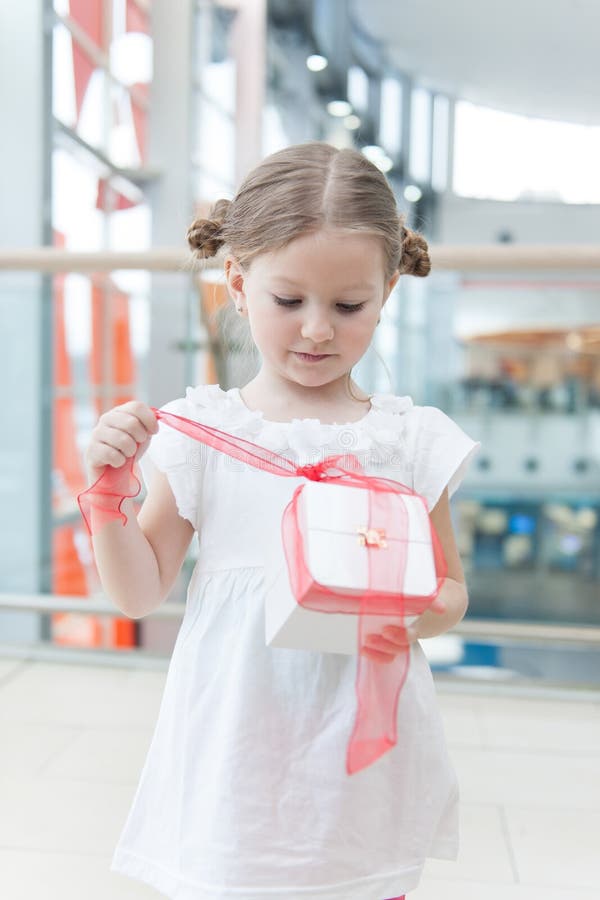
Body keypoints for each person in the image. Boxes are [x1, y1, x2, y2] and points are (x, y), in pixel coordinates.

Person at [85, 141, 481, 900]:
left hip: (361, 766)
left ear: (388, 291)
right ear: (238, 284)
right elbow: (139, 594)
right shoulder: (205, 431)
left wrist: (410, 607)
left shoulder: (406, 439)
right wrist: (108, 497)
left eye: (349, 305)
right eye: (289, 300)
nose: (318, 330)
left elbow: (452, 590)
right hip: (235, 757)